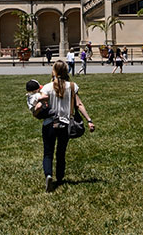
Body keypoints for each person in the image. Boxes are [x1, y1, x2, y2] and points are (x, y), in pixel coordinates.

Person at [38, 61, 94, 191]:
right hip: (65, 124)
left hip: (49, 124)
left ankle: (48, 175)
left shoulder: (46, 87)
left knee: (48, 152)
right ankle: (60, 177)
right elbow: (79, 105)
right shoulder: (72, 87)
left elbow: (40, 105)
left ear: (54, 72)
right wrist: (89, 120)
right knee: (61, 152)